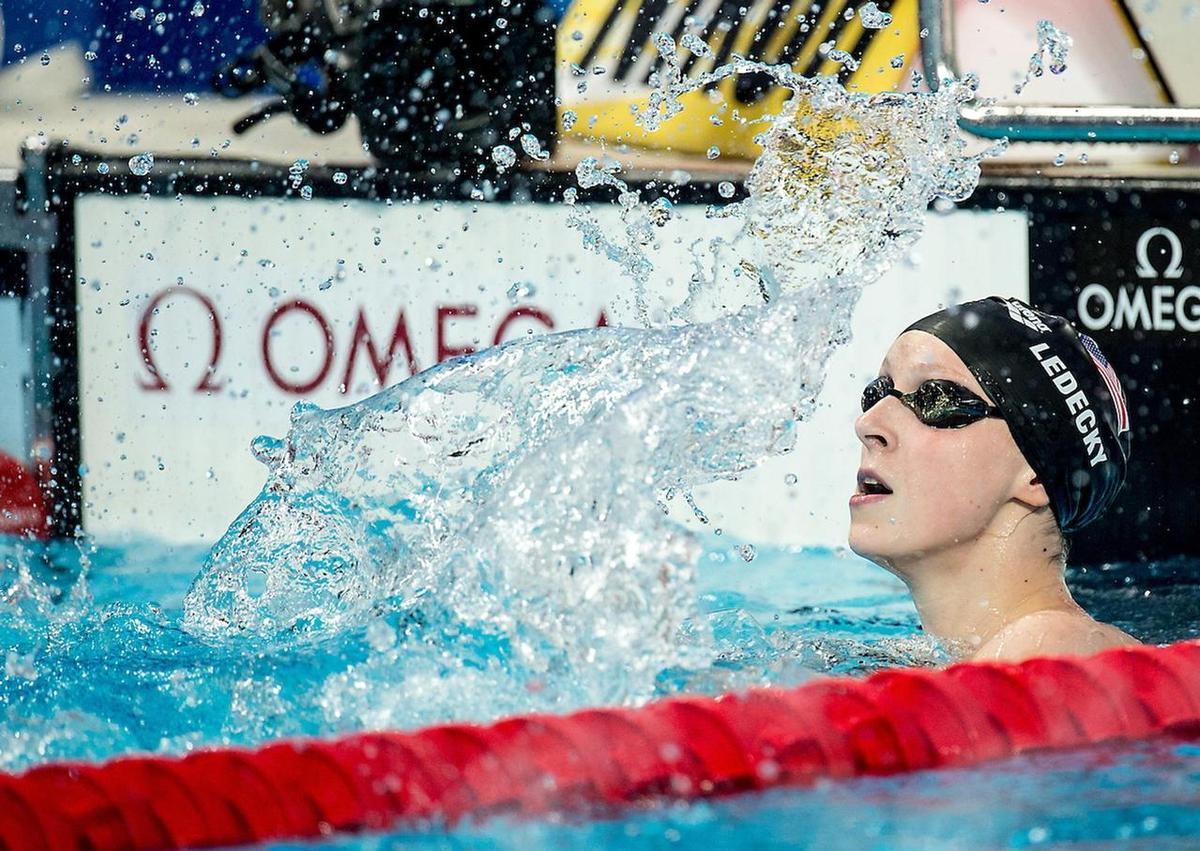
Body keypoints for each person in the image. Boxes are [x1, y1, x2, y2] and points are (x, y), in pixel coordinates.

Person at [848, 296, 1139, 662]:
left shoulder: (1050, 647)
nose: (867, 424)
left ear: (1037, 476)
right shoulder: (950, 658)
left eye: (936, 398)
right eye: (875, 394)